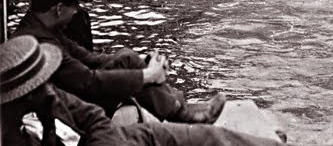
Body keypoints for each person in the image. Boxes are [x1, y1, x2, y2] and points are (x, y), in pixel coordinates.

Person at [13, 0, 227, 124]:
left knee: (127, 57)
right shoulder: (39, 43)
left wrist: (141, 62)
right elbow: (89, 82)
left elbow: (87, 57)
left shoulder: (46, 30)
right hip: (71, 110)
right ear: (59, 9)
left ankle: (181, 108)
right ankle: (183, 114)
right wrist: (146, 76)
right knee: (131, 66)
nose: (77, 11)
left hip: (72, 95)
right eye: (74, 5)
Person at [0, 36, 300, 146]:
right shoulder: (9, 134)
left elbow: (90, 116)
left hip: (103, 138)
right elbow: (90, 87)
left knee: (199, 137)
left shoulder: (45, 93)